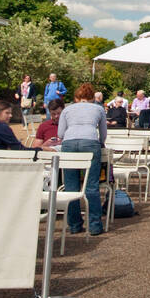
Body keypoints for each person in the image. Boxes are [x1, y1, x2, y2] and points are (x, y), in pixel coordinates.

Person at [59, 83, 108, 236]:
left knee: (71, 186)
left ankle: (74, 225)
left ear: (76, 97)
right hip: (90, 142)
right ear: (92, 97)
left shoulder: (67, 110)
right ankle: (94, 225)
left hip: (69, 143)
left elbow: (61, 133)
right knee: (91, 186)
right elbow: (103, 133)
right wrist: (100, 144)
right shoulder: (98, 109)